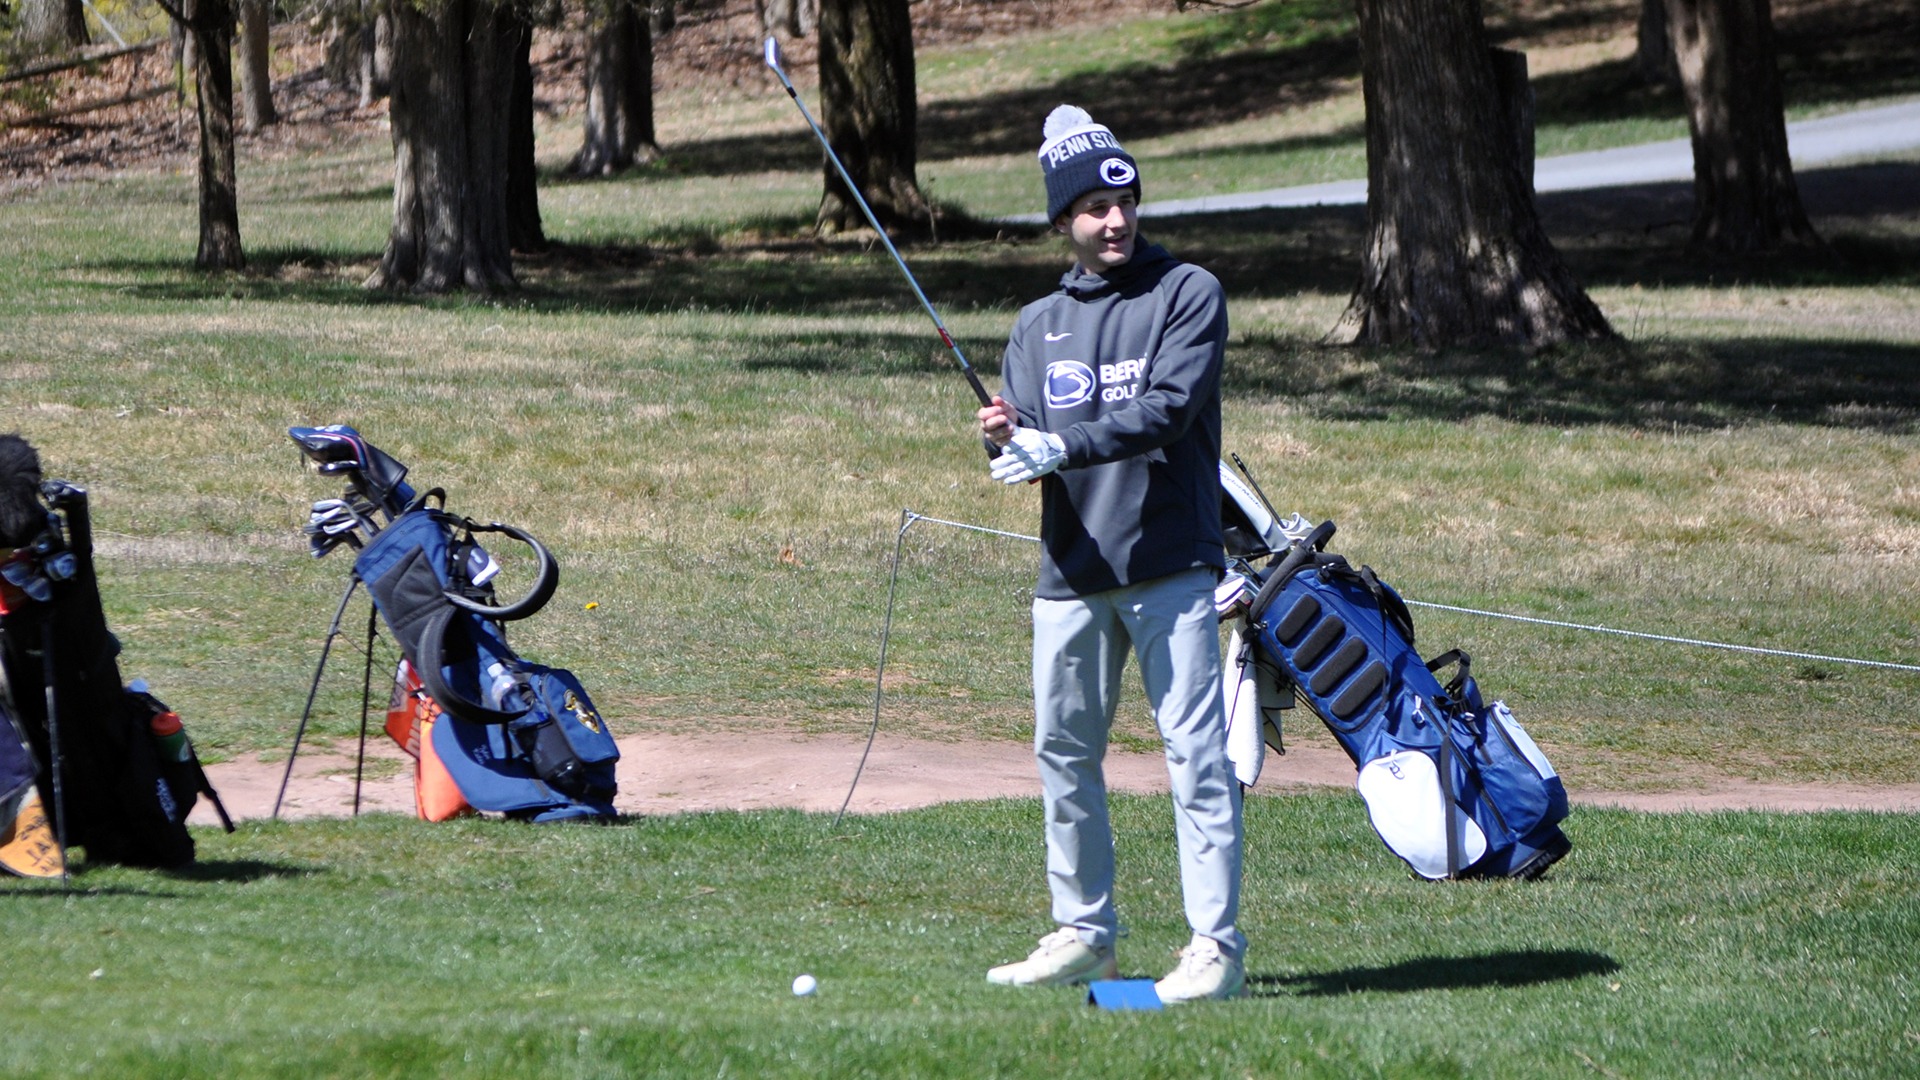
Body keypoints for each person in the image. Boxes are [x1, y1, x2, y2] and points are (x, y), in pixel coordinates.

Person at [979, 105, 1244, 1004]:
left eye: (1123, 199)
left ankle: (1215, 951)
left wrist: (1066, 444)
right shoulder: (1036, 324)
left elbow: (1169, 408)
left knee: (1196, 757)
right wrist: (1006, 440)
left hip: (1170, 560)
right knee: (1064, 754)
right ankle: (1085, 936)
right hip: (1072, 572)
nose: (1116, 219)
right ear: (1064, 221)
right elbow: (1025, 445)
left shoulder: (1188, 293)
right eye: (1092, 206)